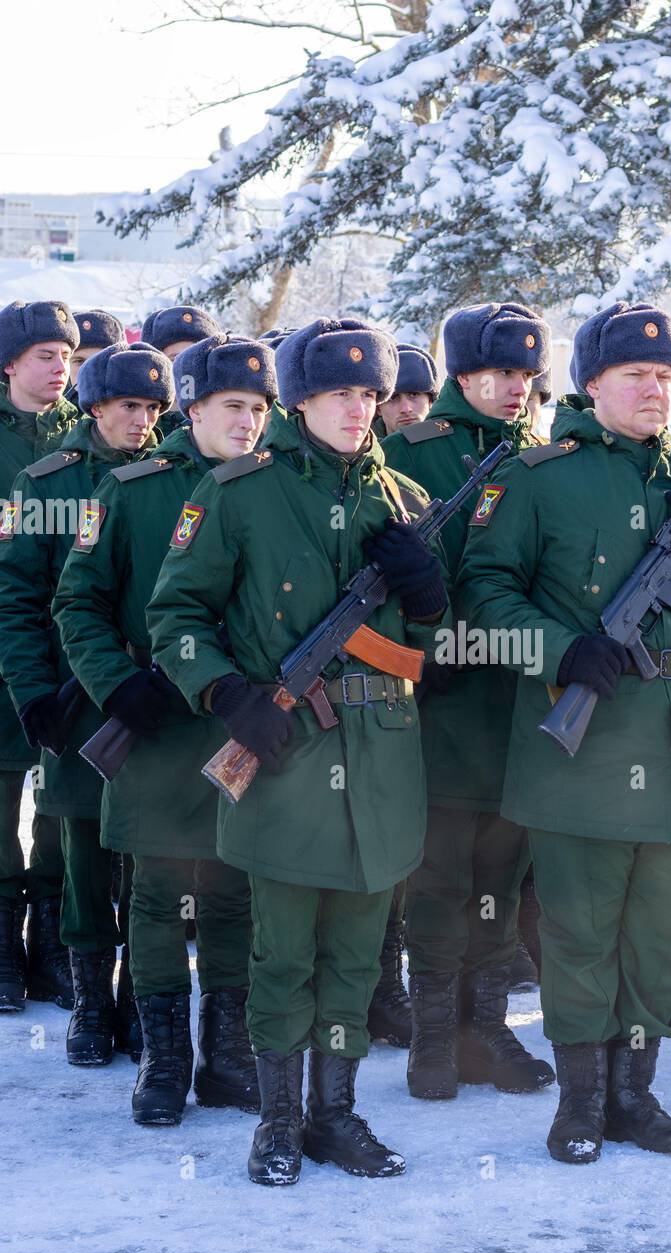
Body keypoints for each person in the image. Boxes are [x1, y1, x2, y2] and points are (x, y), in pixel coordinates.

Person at [457, 302, 671, 1162]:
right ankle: (580, 1101)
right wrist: (564, 651)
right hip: (587, 748)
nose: (654, 389)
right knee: (579, 936)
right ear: (590, 382)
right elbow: (484, 596)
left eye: (667, 376)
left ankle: (634, 1096)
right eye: (635, 373)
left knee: (659, 939)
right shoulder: (538, 476)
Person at [146, 317, 447, 1185]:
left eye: (368, 394)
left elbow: (437, 639)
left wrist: (429, 594)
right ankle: (277, 1121)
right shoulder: (238, 494)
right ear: (300, 400)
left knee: (356, 960)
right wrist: (227, 695)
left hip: (383, 756)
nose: (357, 410)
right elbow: (176, 618)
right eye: (337, 394)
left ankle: (336, 1115)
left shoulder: (409, 501)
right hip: (284, 752)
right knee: (283, 955)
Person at [55, 335, 278, 1123]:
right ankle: (164, 1057)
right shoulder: (132, 489)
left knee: (231, 891)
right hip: (155, 724)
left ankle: (225, 1055)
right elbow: (75, 603)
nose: (247, 423)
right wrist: (115, 686)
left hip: (243, 722)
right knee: (155, 897)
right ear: (192, 410)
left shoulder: (277, 486)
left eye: (258, 409)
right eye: (231, 408)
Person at [382, 302, 555, 1102]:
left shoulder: (547, 457)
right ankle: (431, 1042)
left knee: (502, 877)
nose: (515, 388)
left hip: (523, 709)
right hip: (441, 713)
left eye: (526, 374)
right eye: (499, 373)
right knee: (440, 883)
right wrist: (424, 650)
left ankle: (487, 1032)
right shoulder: (411, 454)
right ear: (459, 375)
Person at [0, 341, 173, 1062]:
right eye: (127, 405)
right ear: (96, 406)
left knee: (150, 860)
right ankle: (90, 1004)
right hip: (78, 700)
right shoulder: (45, 484)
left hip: (156, 698)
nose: (141, 420)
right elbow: (16, 599)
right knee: (82, 857)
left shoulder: (176, 477)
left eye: (153, 407)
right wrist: (34, 691)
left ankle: (140, 997)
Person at [0, 300, 78, 1013]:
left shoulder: (87, 438)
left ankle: (53, 944)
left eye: (67, 356)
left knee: (59, 806)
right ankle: (2, 949)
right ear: (11, 365)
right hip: (7, 638)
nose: (59, 368)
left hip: (69, 651)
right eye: (45, 356)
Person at [140, 306, 222, 436]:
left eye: (198, 359)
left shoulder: (226, 422)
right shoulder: (136, 425)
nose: (186, 368)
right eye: (176, 360)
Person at [374, 344, 437, 440]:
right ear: (378, 408)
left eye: (414, 394)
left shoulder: (454, 446)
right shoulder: (360, 452)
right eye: (393, 398)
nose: (406, 409)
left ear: (430, 401)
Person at [66, 311, 127, 408]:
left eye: (99, 360)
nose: (89, 369)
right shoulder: (45, 414)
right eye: (79, 361)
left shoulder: (141, 410)